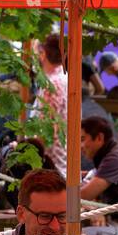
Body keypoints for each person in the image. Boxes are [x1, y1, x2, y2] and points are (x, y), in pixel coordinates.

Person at [32, 34, 68, 174]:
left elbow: (46, 129)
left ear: (43, 54)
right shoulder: (63, 78)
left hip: (51, 165)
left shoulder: (52, 85)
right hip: (61, 161)